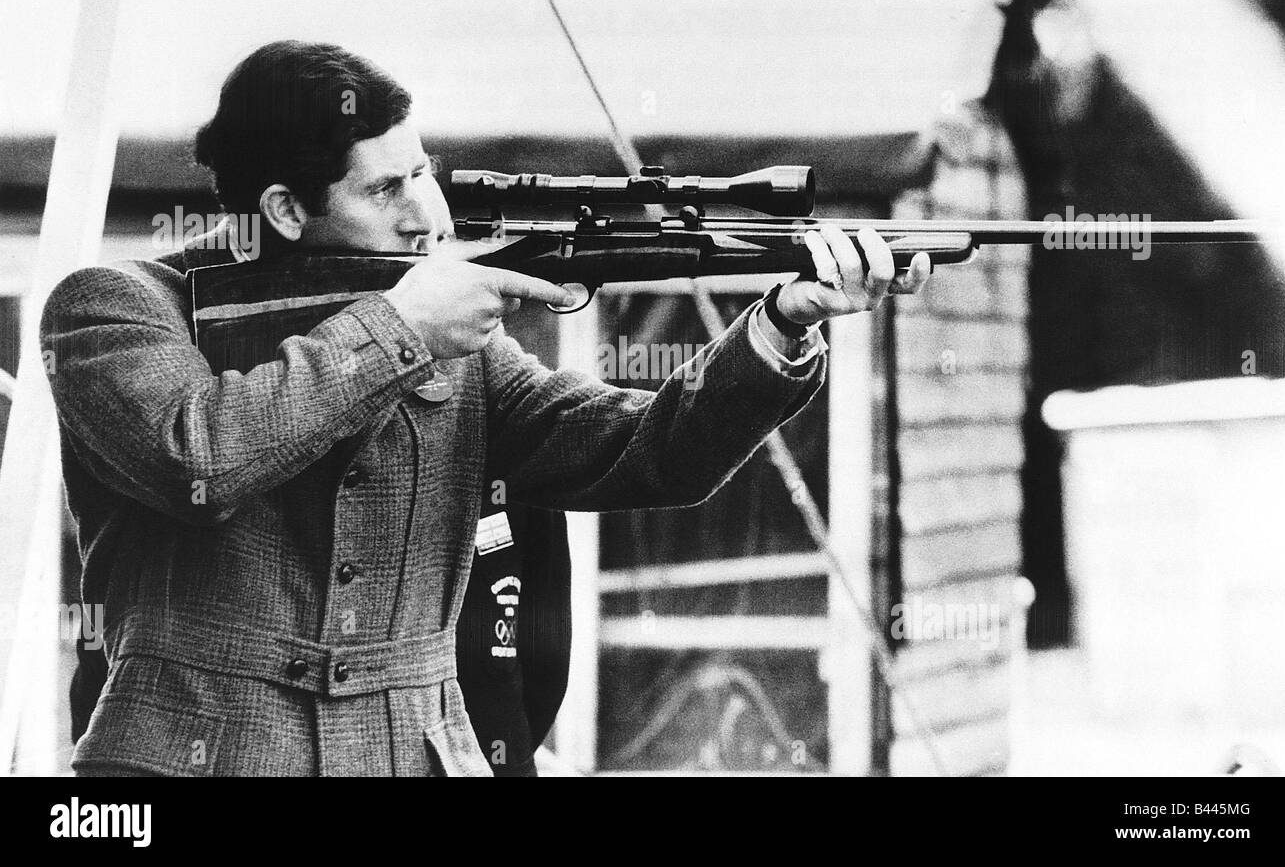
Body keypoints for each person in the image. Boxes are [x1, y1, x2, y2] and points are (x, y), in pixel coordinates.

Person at [41, 40, 929, 776]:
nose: (427, 215)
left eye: (421, 172)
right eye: (384, 190)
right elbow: (199, 456)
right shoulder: (113, 308)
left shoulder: (455, 342)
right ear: (282, 207)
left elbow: (652, 453)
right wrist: (400, 327)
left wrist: (779, 324)